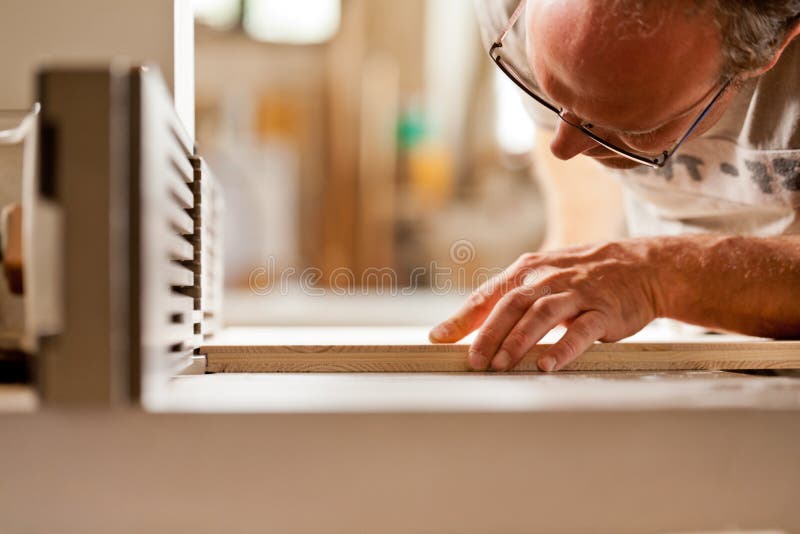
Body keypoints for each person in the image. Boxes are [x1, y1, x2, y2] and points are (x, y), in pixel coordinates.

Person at [429, 0, 800, 372]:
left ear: (774, 49)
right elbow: (581, 213)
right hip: (684, 343)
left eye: (631, 130)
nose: (565, 147)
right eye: (550, 88)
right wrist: (560, 291)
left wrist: (658, 277)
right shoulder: (512, 11)